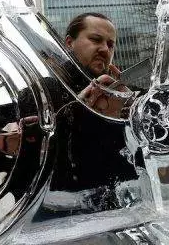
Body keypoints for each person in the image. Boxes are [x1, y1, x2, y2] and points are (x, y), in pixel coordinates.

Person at [49, 12, 138, 198]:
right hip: (65, 213)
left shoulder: (128, 94)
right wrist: (74, 115)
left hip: (126, 207)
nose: (105, 50)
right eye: (96, 40)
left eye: (110, 44)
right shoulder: (42, 93)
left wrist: (131, 116)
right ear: (69, 43)